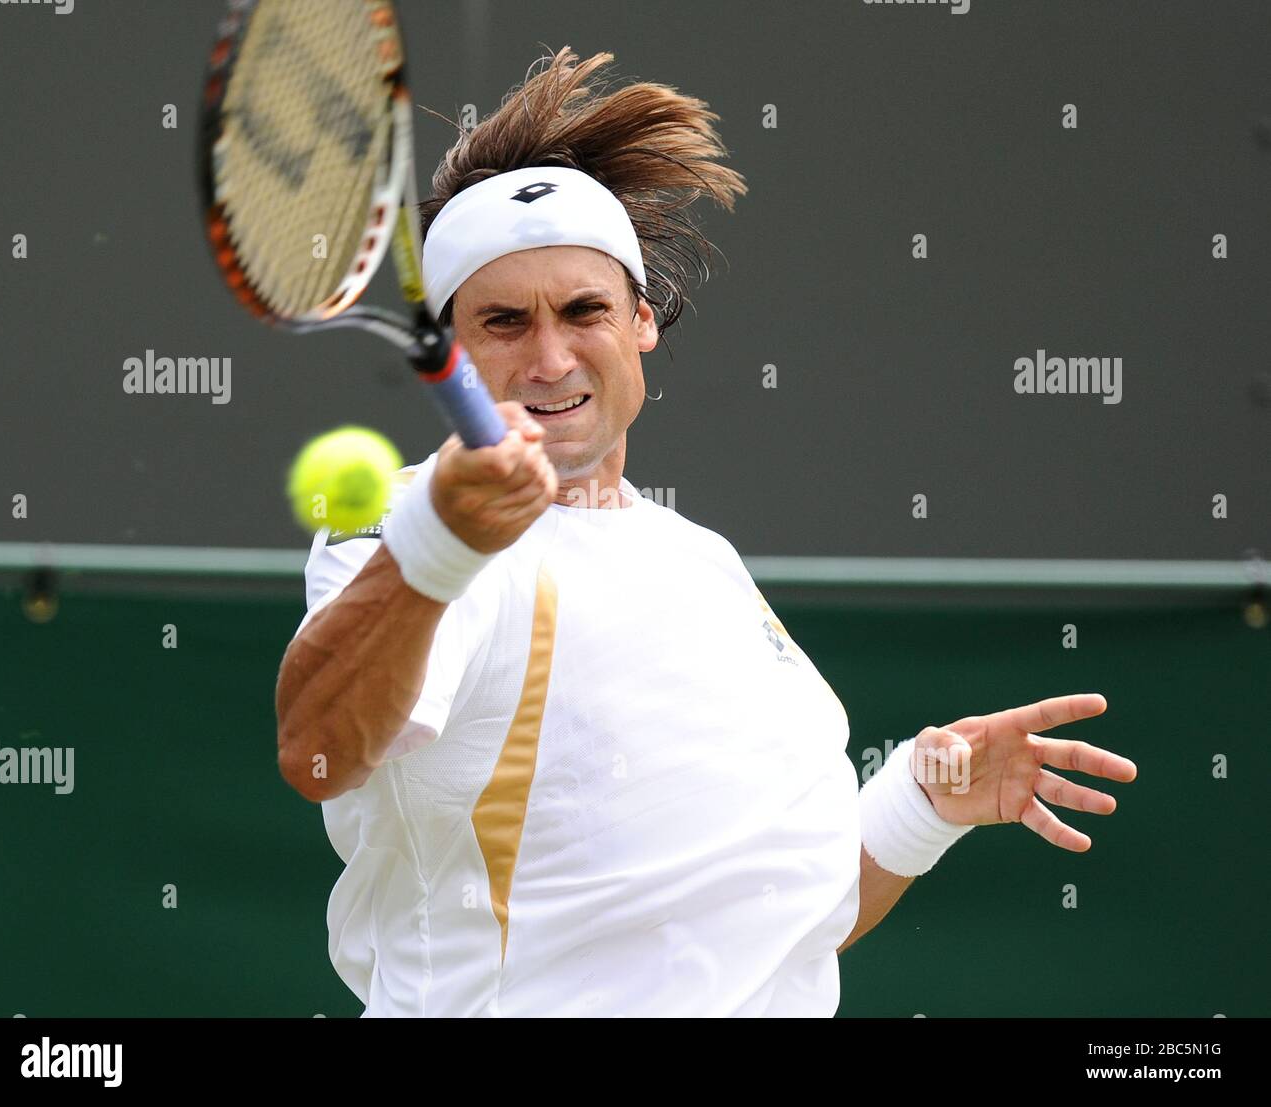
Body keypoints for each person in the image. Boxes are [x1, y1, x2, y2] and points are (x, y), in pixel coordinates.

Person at [274, 48, 1137, 1017]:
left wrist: (918, 801)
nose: (550, 356)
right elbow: (319, 751)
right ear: (457, 349)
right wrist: (439, 547)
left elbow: (772, 924)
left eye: (583, 310)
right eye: (504, 321)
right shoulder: (412, 530)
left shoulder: (702, 564)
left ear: (642, 321)